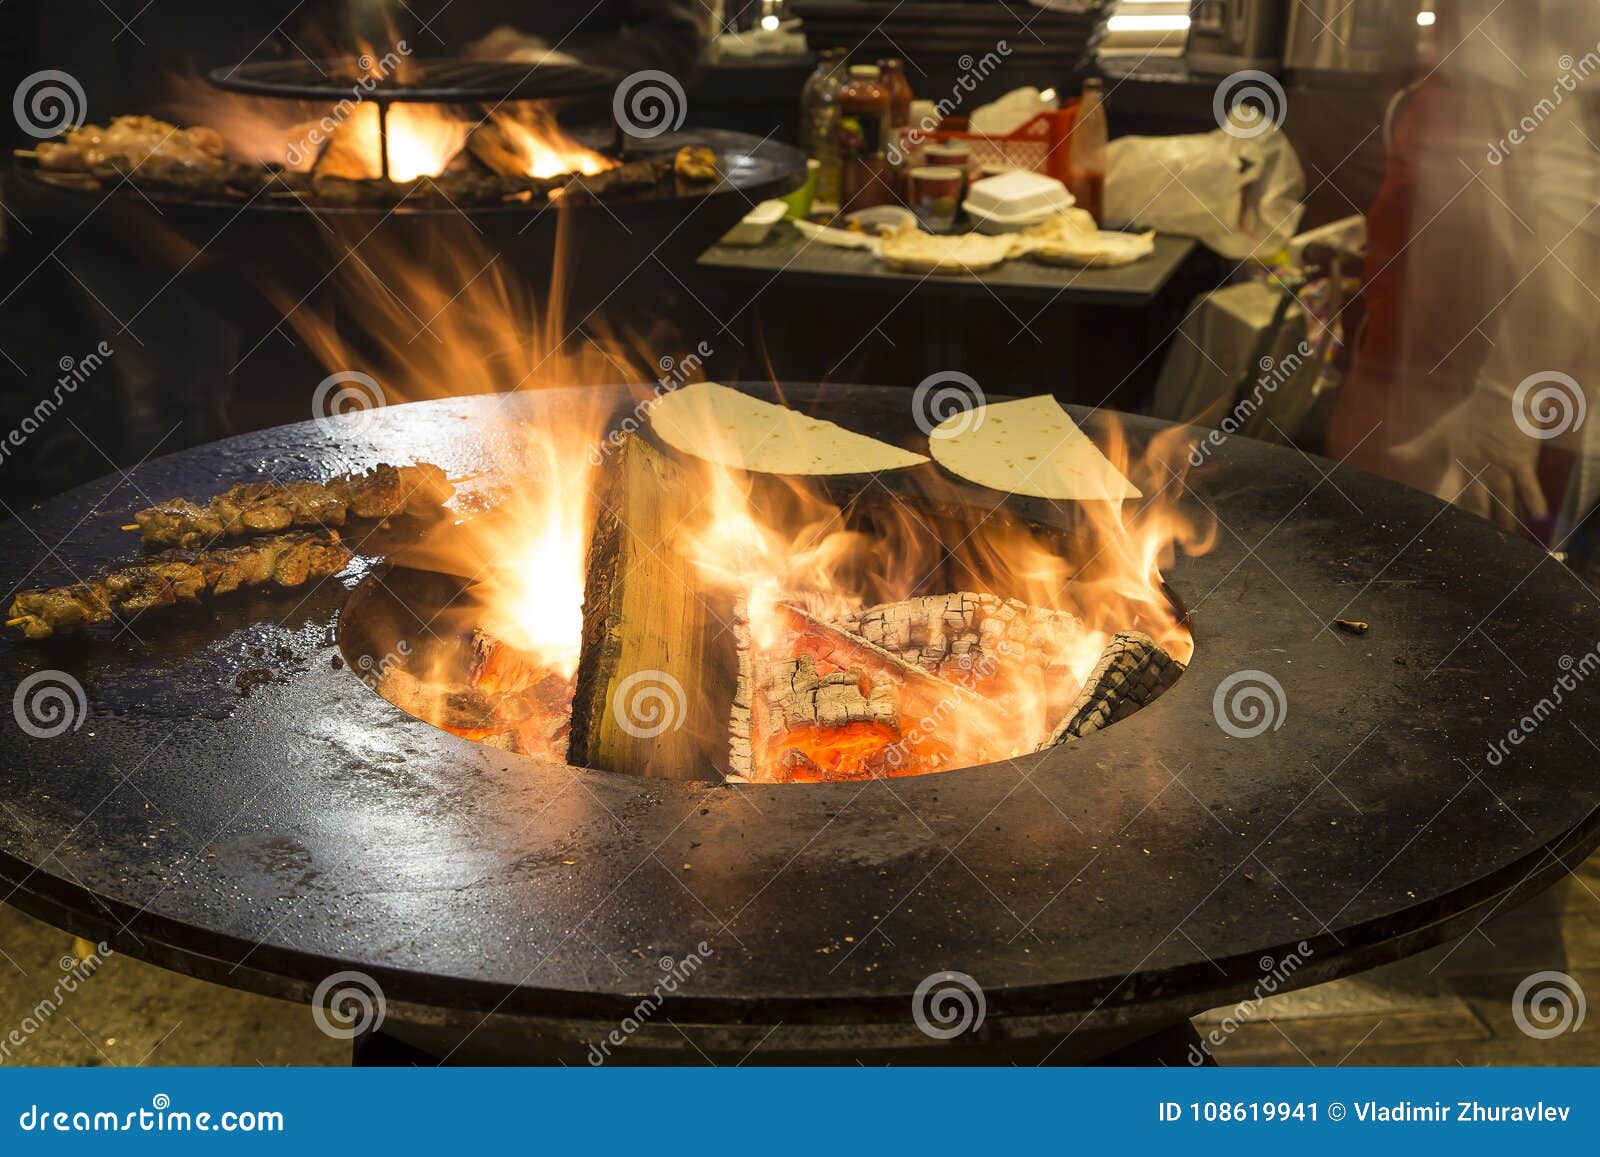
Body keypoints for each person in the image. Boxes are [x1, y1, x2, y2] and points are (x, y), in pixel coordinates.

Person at [1326, 0, 1600, 545]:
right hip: (1427, 377)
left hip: (1494, 403)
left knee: (1468, 599)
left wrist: (1507, 401)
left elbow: (1580, 212)